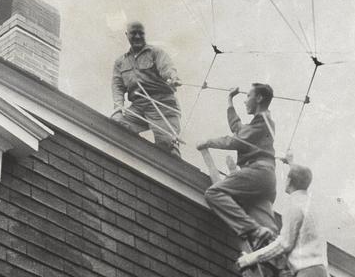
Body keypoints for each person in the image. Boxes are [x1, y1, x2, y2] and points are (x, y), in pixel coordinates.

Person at [197, 84, 279, 250]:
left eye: (248, 96)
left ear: (259, 98)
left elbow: (237, 140)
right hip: (265, 180)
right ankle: (283, 269)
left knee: (214, 193)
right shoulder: (261, 124)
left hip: (257, 173)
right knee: (270, 232)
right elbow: (238, 129)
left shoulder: (263, 121)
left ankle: (253, 230)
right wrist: (229, 101)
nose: (245, 101)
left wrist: (208, 142)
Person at [112, 21, 182, 157]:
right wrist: (118, 108)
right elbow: (117, 86)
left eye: (141, 33)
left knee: (167, 147)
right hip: (138, 106)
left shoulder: (156, 53)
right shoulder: (121, 62)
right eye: (133, 33)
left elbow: (167, 68)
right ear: (127, 35)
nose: (137, 36)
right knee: (116, 125)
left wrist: (172, 77)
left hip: (162, 105)